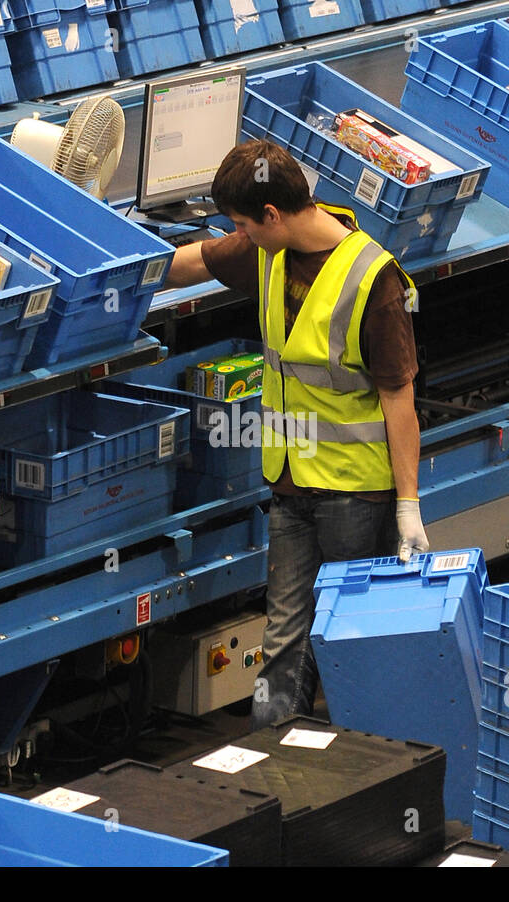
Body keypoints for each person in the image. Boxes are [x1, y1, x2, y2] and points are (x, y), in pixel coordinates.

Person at [165, 140, 430, 730]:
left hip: (355, 496)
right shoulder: (266, 251)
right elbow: (196, 262)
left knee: (348, 635)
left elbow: (399, 403)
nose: (237, 234)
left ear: (272, 215)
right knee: (283, 637)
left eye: (241, 224)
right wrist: (126, 280)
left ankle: (363, 765)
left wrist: (407, 505)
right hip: (290, 485)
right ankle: (274, 769)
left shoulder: (373, 281)